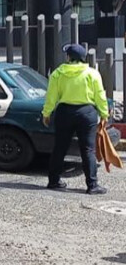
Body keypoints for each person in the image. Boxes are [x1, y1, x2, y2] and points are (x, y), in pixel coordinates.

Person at [42, 43, 108, 195]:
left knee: (60, 148)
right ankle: (92, 185)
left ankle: (54, 181)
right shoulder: (92, 73)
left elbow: (51, 97)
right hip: (86, 112)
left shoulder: (58, 73)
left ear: (69, 57)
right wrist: (104, 114)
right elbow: (100, 95)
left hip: (64, 112)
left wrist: (46, 113)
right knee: (88, 149)